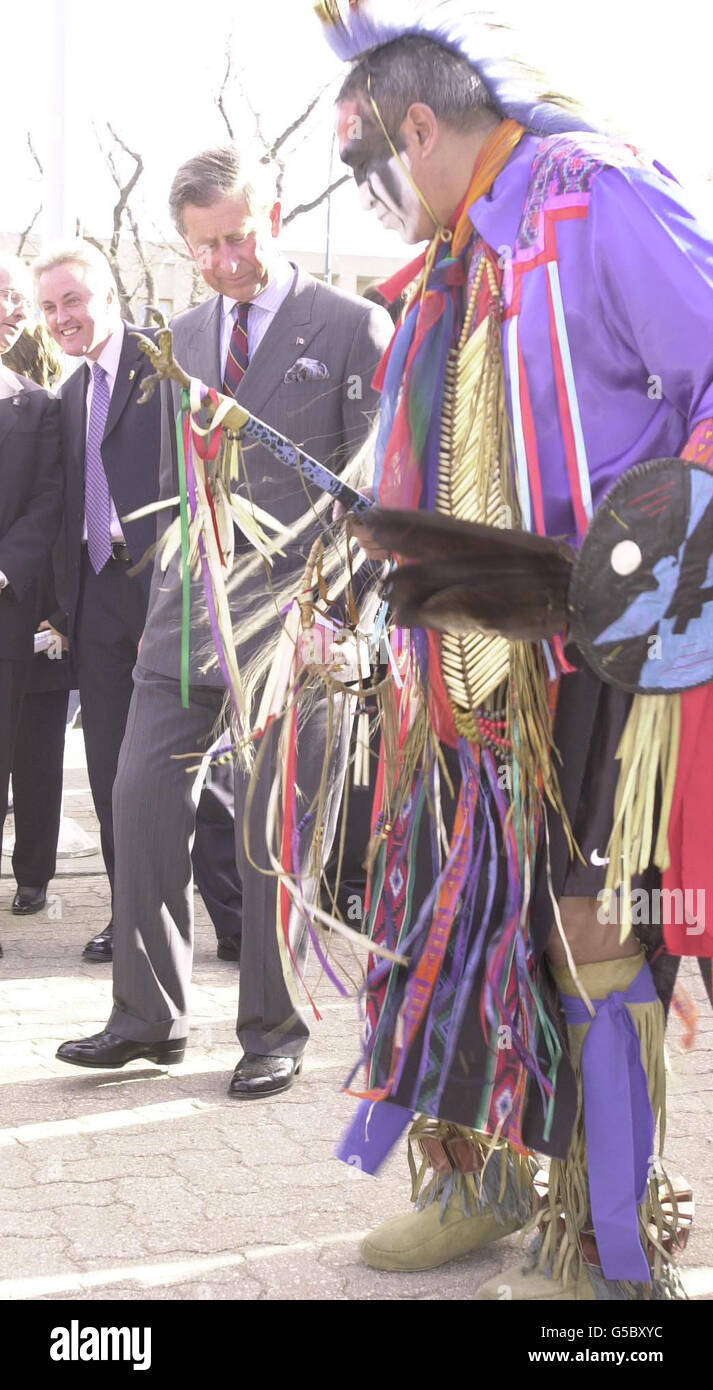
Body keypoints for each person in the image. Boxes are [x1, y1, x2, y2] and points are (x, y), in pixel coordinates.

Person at [310, 1, 713, 1300]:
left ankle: (607, 1243)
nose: (367, 198)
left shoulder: (593, 193)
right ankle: (475, 1178)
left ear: (421, 127)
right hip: (456, 668)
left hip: (595, 654)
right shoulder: (453, 260)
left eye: (369, 163)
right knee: (453, 923)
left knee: (590, 933)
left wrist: (655, 544)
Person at [55, 145, 394, 1096]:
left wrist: (347, 618)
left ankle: (272, 1027)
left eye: (239, 237)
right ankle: (146, 1018)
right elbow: (175, 485)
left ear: (273, 214)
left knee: (271, 828)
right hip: (186, 620)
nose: (227, 263)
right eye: (205, 248)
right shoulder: (188, 335)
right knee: (137, 800)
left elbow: (375, 496)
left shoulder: (355, 325)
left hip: (300, 627)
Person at [35, 243, 242, 962]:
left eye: (74, 300)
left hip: (172, 592)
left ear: (108, 297)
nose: (63, 317)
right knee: (110, 772)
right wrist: (65, 606)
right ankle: (131, 917)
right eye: (51, 307)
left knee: (194, 762)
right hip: (99, 600)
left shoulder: (167, 362)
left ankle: (235, 917)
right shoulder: (68, 395)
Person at [0, 255, 63, 949]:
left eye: (19, 298)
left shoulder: (35, 406)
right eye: (5, 297)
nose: (15, 310)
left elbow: (48, 500)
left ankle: (31, 874)